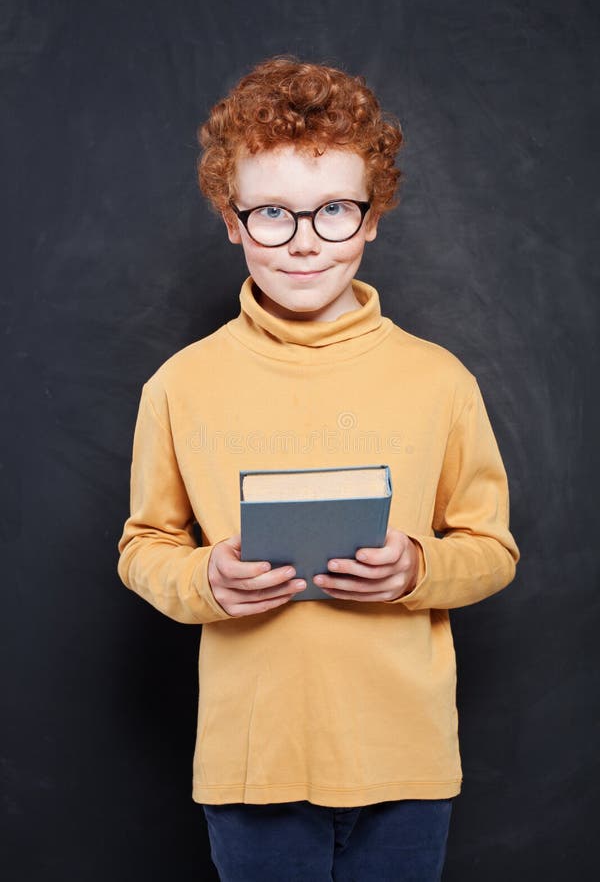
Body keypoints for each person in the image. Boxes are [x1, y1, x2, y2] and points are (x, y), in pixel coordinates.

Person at [117, 55, 520, 882]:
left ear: (373, 218)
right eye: (272, 213)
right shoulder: (180, 386)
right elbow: (144, 544)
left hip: (404, 761)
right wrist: (206, 583)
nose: (304, 241)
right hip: (252, 765)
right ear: (232, 220)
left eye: (333, 209)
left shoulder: (439, 380)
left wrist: (417, 567)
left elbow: (492, 548)